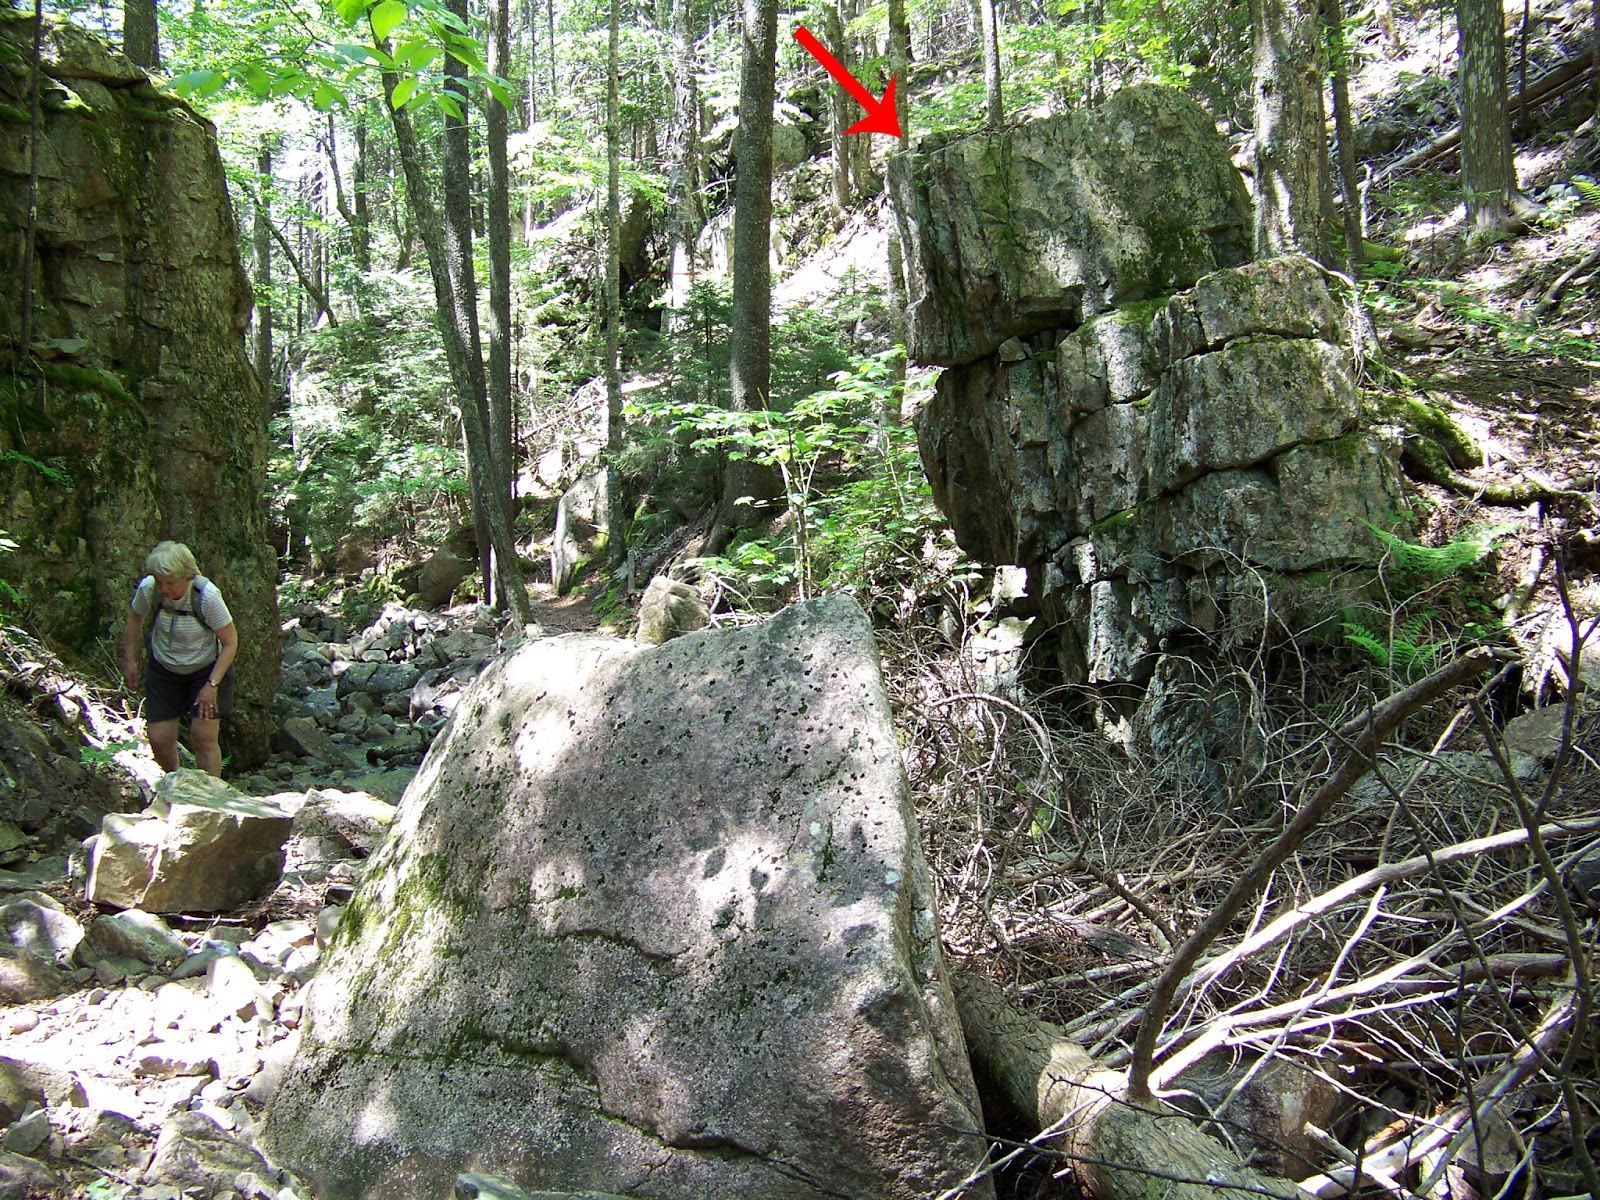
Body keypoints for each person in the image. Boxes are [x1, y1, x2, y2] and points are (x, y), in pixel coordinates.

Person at [121, 541, 239, 777]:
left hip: (206, 670)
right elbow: (135, 620)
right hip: (164, 669)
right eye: (160, 581)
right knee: (159, 738)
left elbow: (230, 642)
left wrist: (211, 686)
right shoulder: (149, 589)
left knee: (203, 738)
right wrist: (130, 660)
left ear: (187, 576)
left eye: (170, 583)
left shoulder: (207, 596)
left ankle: (212, 800)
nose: (164, 589)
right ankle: (176, 786)